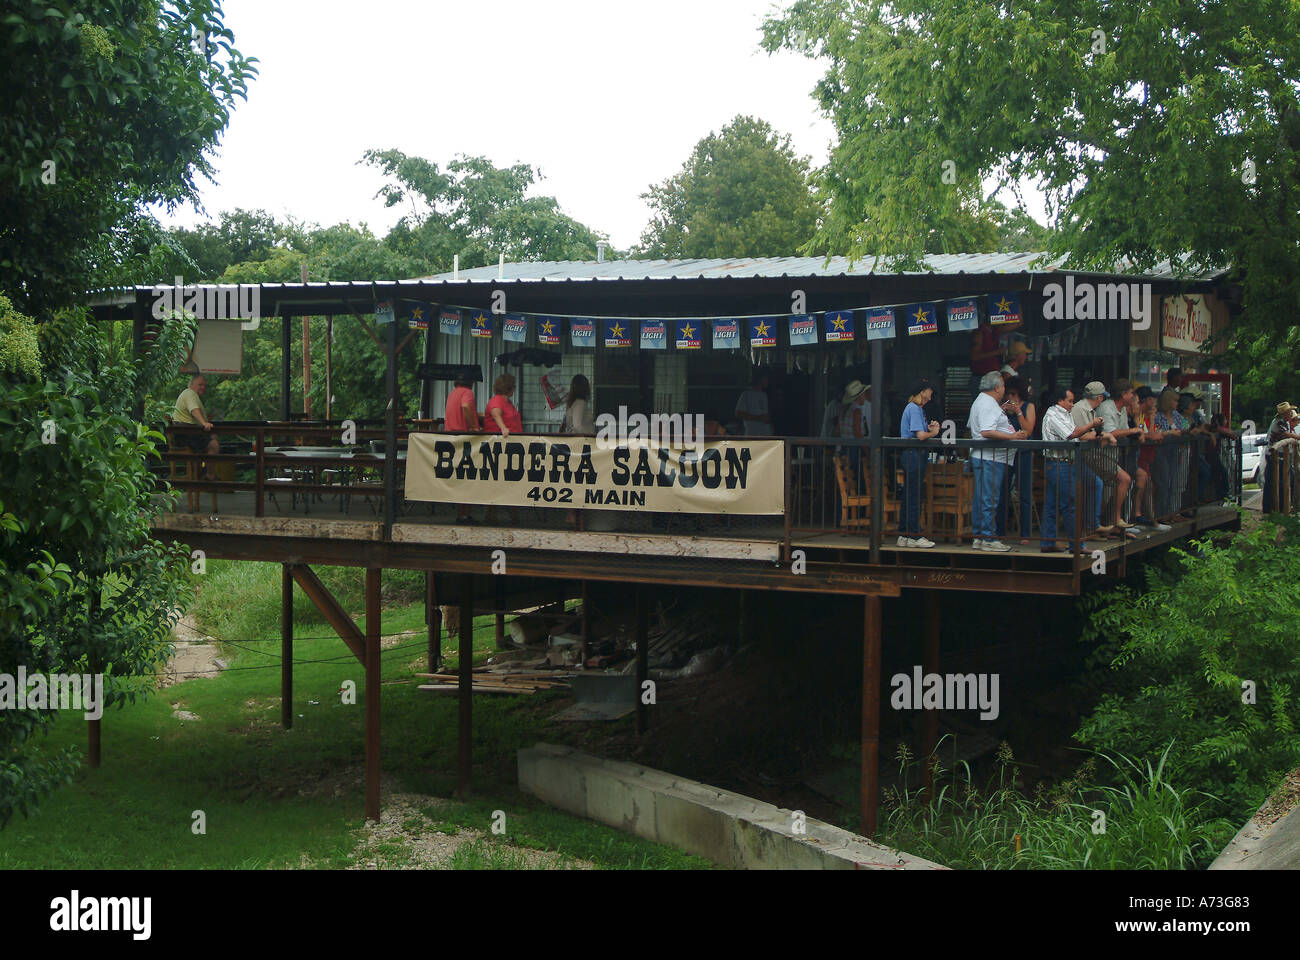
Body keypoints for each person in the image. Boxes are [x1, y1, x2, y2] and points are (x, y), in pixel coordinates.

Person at [967, 371, 1026, 552]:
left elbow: (975, 425)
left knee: (983, 498)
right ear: (996, 387)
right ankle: (988, 538)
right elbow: (987, 431)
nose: (1004, 390)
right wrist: (1013, 436)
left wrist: (1000, 412)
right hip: (990, 458)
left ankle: (980, 536)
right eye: (1003, 386)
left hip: (987, 457)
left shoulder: (983, 402)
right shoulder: (988, 403)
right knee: (989, 499)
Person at [1073, 381, 1135, 538]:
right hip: (1087, 456)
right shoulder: (1081, 408)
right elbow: (1079, 434)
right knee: (1120, 480)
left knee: (1101, 488)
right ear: (1099, 397)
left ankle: (1100, 526)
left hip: (1099, 455)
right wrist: (1101, 435)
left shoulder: (1092, 409)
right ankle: (1106, 522)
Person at [1039, 386, 1096, 552]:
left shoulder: (1065, 414)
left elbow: (1074, 434)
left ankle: (1048, 542)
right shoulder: (1053, 414)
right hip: (1058, 463)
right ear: (1060, 401)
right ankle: (1076, 545)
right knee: (1069, 504)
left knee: (1052, 504)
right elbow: (1071, 434)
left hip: (1060, 463)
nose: (1073, 404)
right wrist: (1091, 424)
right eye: (1070, 401)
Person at [898, 378, 941, 548]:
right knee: (915, 495)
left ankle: (904, 535)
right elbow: (920, 436)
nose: (931, 395)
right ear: (922, 392)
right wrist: (933, 433)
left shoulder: (914, 409)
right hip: (914, 456)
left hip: (910, 455)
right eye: (930, 391)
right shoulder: (915, 409)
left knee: (909, 495)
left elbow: (920, 432)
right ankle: (915, 535)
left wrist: (929, 430)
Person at [1095, 378, 1142, 528]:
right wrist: (1134, 430)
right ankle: (1114, 520)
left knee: (1107, 493)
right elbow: (1112, 432)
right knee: (1124, 479)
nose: (1133, 397)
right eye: (1131, 393)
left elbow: (1125, 432)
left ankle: (1106, 525)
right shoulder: (1108, 408)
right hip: (1099, 455)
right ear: (1123, 394)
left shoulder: (1121, 409)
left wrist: (1136, 423)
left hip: (1111, 456)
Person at [996, 376, 1036, 544]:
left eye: (1015, 394)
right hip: (1006, 452)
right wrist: (1003, 411)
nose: (1012, 398)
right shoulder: (1001, 407)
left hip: (1024, 452)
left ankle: (1025, 533)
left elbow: (1028, 430)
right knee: (1002, 492)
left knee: (1024, 493)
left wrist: (1018, 412)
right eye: (1009, 394)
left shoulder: (1029, 406)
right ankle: (1000, 532)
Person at [1130, 386, 1170, 531]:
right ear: (1147, 400)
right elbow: (1144, 434)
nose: (1154, 403)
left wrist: (1152, 420)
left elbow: (1150, 432)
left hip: (1147, 458)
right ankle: (1138, 516)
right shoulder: (1138, 416)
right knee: (1142, 484)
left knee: (1149, 486)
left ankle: (1150, 519)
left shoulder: (1147, 416)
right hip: (1138, 457)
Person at [444, 377, 481, 523]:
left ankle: (462, 512)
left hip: (451, 439)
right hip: (464, 439)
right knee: (468, 476)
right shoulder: (467, 392)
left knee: (460, 477)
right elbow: (465, 407)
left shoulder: (453, 393)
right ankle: (464, 514)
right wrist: (474, 426)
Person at [173, 374, 220, 480]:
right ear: (191, 384)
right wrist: (204, 423)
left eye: (204, 385)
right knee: (213, 444)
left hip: (186, 433)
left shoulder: (190, 395)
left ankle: (203, 473)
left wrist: (206, 418)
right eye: (200, 385)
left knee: (213, 437)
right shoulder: (190, 393)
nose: (203, 387)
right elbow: (194, 410)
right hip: (185, 434)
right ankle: (210, 476)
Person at [1152, 387, 1185, 518]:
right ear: (1168, 401)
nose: (1177, 404)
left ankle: (1170, 512)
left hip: (1174, 450)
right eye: (1175, 401)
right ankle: (1160, 513)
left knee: (1173, 481)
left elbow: (1186, 426)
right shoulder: (1157, 415)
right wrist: (1170, 433)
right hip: (1160, 451)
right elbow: (1155, 432)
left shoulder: (1176, 415)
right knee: (1163, 482)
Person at [969, 319, 1001, 395]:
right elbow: (974, 356)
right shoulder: (980, 332)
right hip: (981, 377)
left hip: (993, 377)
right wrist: (997, 352)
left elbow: (1018, 323)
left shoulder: (995, 330)